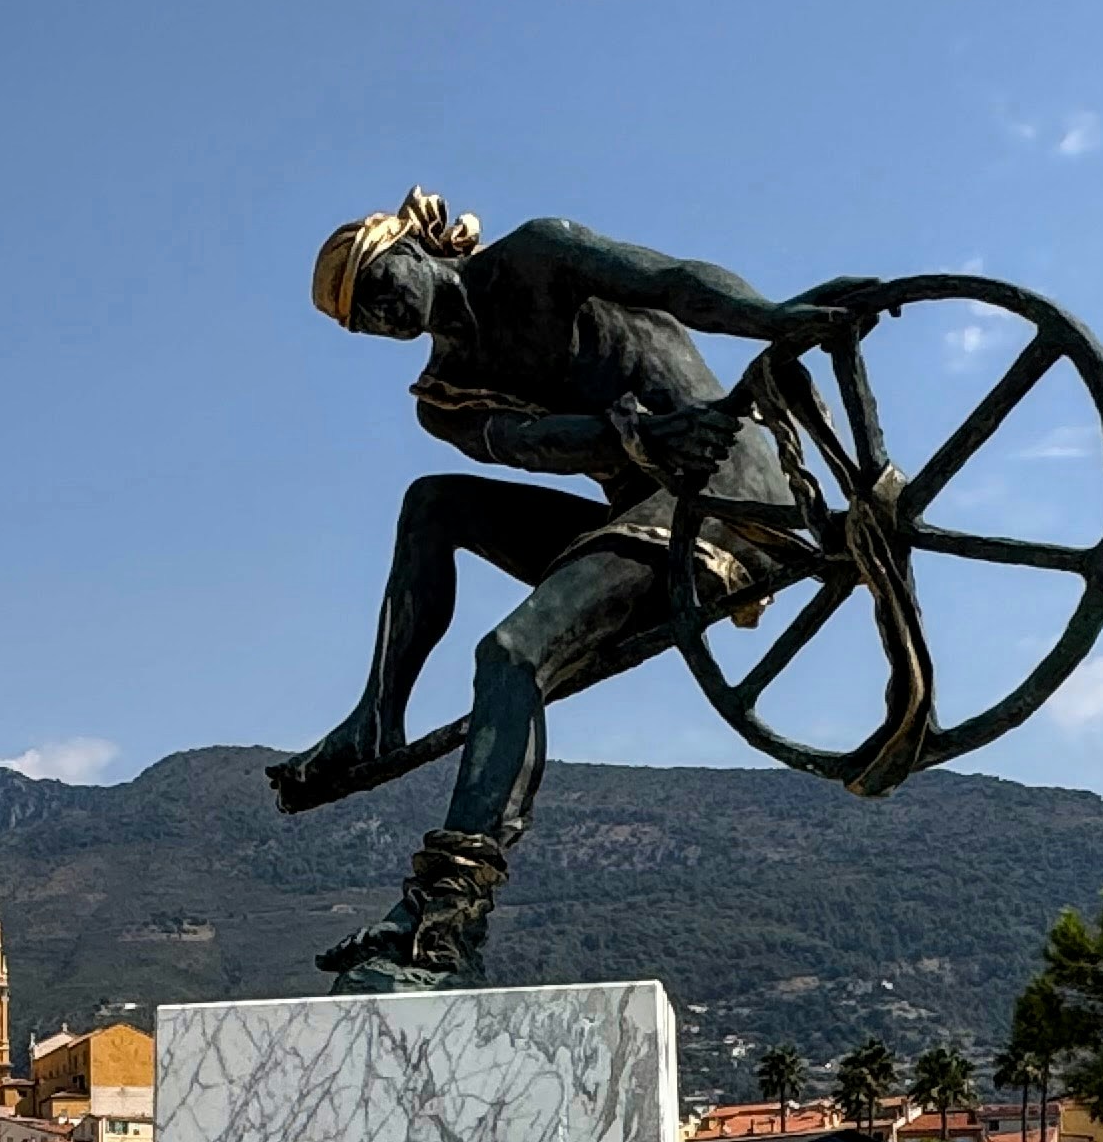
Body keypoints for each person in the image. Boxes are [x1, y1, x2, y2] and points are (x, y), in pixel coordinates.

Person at [271, 191, 876, 983]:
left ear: (413, 250)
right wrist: (632, 436)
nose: (385, 317)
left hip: (726, 491)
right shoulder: (444, 398)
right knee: (432, 503)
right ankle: (377, 715)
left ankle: (445, 921)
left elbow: (675, 280)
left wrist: (774, 319)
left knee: (511, 654)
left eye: (380, 289)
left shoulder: (539, 256)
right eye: (365, 323)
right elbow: (534, 445)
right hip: (638, 511)